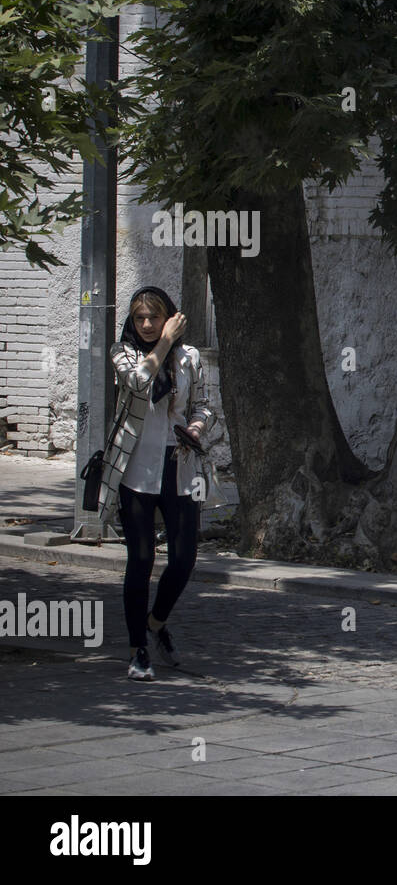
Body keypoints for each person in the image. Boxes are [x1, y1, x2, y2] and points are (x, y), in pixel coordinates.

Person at [98, 286, 214, 681]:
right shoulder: (123, 353)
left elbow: (203, 405)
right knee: (141, 559)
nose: (146, 325)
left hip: (177, 466)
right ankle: (137, 649)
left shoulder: (190, 358)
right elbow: (138, 382)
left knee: (183, 560)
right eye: (140, 318)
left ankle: (155, 622)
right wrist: (163, 343)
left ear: (169, 316)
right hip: (136, 470)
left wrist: (196, 426)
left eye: (155, 318)